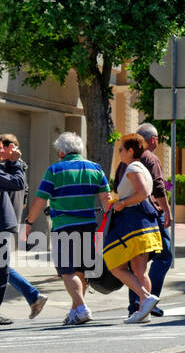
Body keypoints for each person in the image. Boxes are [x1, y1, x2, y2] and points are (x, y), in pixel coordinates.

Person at [26, 132, 110, 326]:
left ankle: (81, 308)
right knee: (81, 271)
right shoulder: (95, 168)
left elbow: (40, 201)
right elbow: (107, 200)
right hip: (89, 225)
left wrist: (29, 223)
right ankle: (75, 312)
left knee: (68, 271)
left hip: (64, 227)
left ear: (61, 152)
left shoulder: (55, 170)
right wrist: (109, 224)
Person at [102, 134, 164, 323]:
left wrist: (123, 203)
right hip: (144, 222)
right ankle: (143, 309)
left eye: (121, 149)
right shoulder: (141, 168)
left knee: (115, 264)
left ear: (130, 151)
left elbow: (143, 192)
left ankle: (145, 298)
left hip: (134, 224)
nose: (119, 152)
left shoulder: (133, 167)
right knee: (139, 269)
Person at [124, 124, 172, 320]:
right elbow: (159, 188)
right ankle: (149, 300)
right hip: (151, 214)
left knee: (138, 262)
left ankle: (137, 302)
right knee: (165, 256)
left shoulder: (127, 159)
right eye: (157, 139)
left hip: (130, 215)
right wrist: (167, 212)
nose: (158, 142)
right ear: (152, 140)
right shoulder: (151, 158)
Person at [0, 134, 47, 322]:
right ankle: (33, 296)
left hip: (5, 223)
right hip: (6, 222)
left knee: (2, 269)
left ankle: (33, 295)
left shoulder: (16, 167)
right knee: (2, 268)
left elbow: (20, 190)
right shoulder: (15, 167)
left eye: (2, 147)